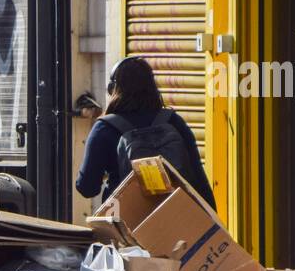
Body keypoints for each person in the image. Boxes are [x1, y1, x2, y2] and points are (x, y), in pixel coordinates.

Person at [75, 56, 215, 208]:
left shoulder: (104, 129)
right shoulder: (174, 122)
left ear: (112, 89)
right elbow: (199, 180)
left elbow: (87, 188)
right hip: (174, 216)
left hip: (126, 220)